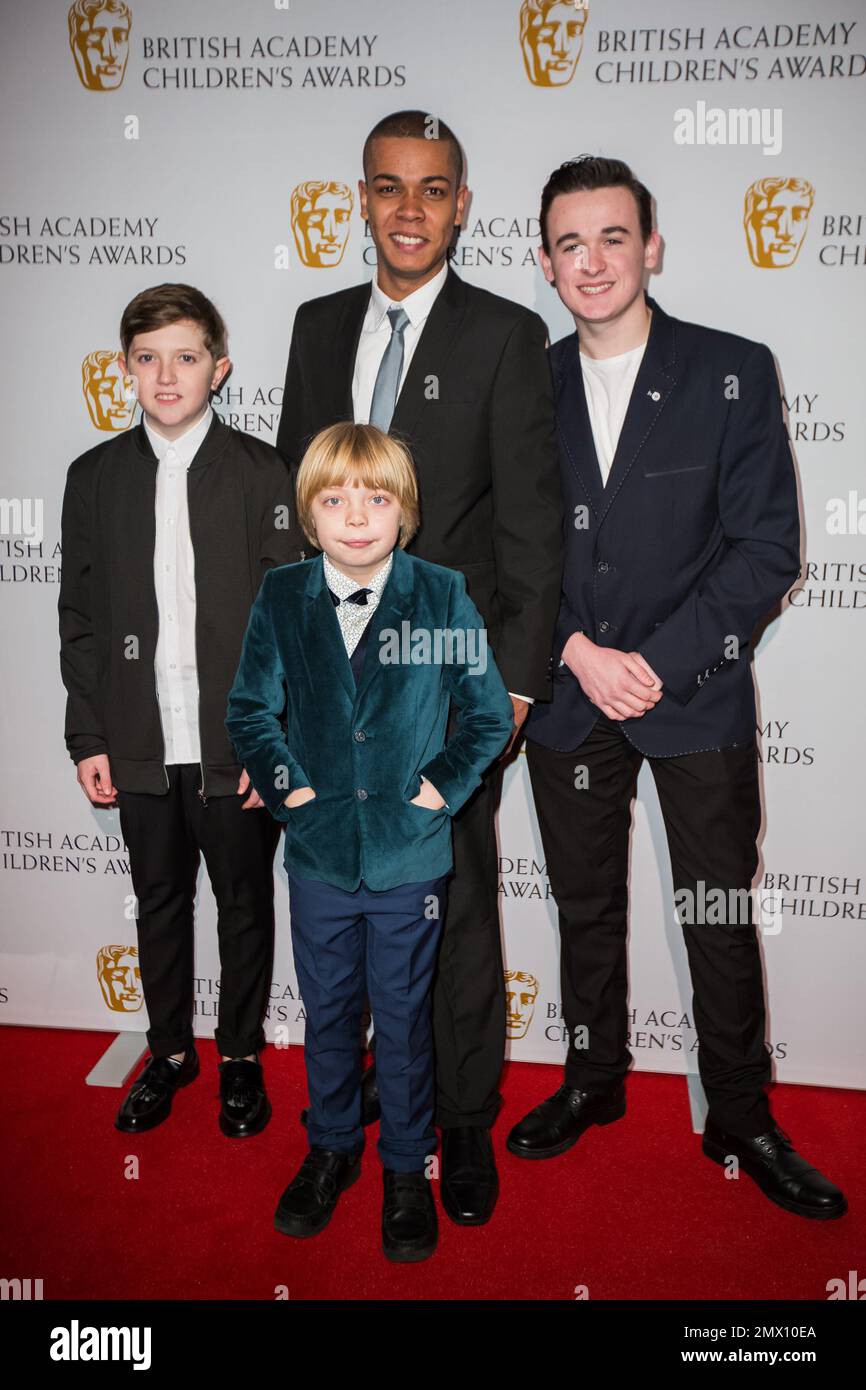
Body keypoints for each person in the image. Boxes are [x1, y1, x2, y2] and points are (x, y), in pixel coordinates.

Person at [512, 156, 847, 1221]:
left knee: (712, 911)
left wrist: (653, 664)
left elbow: (765, 550)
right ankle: (590, 1078)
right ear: (544, 262)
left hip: (692, 697)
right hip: (568, 697)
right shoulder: (527, 387)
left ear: (649, 247)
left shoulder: (729, 369)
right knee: (583, 907)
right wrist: (570, 649)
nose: (593, 260)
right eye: (570, 242)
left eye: (613, 236)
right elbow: (501, 552)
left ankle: (739, 1112)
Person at [275, 109, 563, 1225]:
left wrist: (517, 682)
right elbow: (292, 518)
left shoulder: (500, 335)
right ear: (360, 197)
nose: (409, 208)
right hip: (326, 683)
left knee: (454, 909)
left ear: (460, 205)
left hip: (446, 676)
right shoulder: (312, 327)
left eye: (433, 188)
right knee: (333, 914)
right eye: (389, 187)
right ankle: (338, 1133)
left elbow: (533, 528)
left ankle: (457, 1122)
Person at [225, 422, 513, 1261]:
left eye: (377, 498)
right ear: (309, 515)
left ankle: (402, 1166)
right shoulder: (282, 596)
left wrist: (439, 790)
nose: (357, 516)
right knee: (327, 1015)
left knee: (404, 1016)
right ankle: (331, 1148)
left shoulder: (440, 593)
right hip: (316, 856)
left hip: (409, 858)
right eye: (335, 499)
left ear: (405, 511)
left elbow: (489, 714)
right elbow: (249, 711)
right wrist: (293, 794)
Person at [59, 283, 294, 1137]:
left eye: (186, 357)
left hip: (236, 742)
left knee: (243, 903)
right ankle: (167, 1054)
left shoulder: (266, 472)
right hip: (140, 737)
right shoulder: (93, 479)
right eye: (149, 358)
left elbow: (291, 624)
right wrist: (89, 734)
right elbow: (79, 620)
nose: (167, 375)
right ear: (125, 369)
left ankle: (238, 1058)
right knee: (156, 901)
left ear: (218, 368)